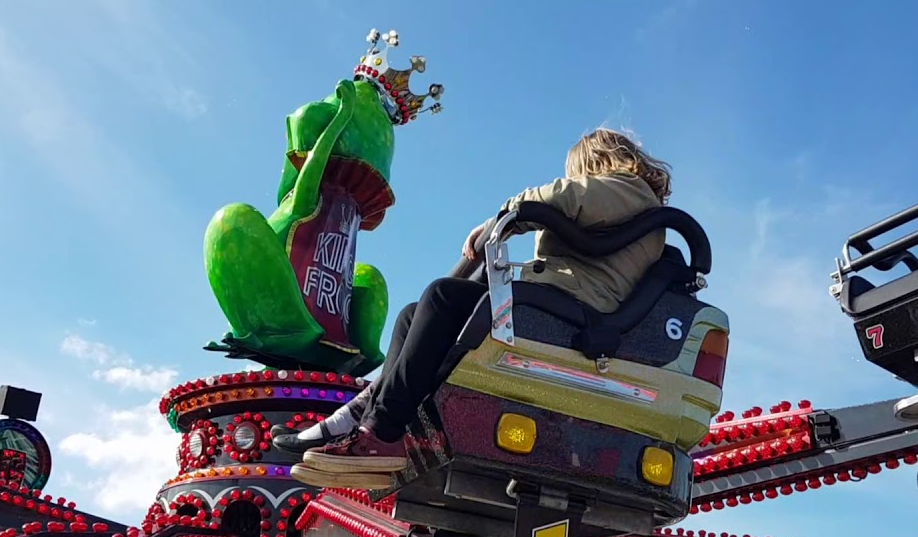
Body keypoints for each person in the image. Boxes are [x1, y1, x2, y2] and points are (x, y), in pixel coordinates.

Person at [288, 128, 674, 488]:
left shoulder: (625, 191)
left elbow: (557, 198)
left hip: (569, 312)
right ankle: (377, 421)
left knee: (442, 296)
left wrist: (498, 220)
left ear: (595, 162)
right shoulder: (632, 205)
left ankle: (380, 430)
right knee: (412, 314)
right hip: (566, 302)